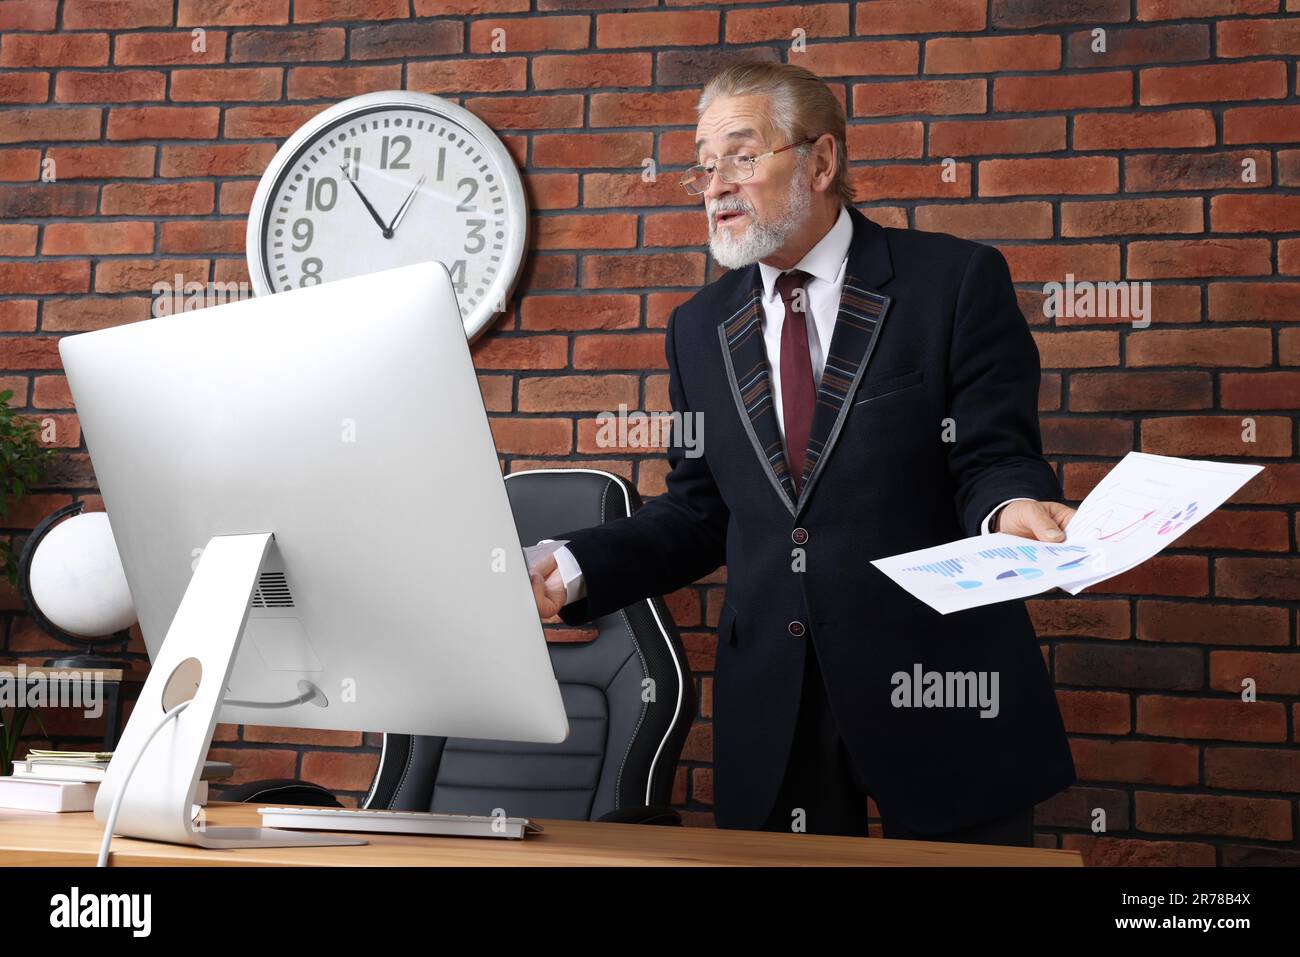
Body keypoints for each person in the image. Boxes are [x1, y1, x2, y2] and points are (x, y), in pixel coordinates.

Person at [528, 61, 1077, 846]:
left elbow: (990, 456)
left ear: (821, 163)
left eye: (742, 157)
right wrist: (571, 569)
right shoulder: (698, 325)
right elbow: (699, 509)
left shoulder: (952, 282)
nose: (716, 184)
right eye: (703, 163)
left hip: (938, 684)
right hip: (775, 711)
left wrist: (1011, 508)